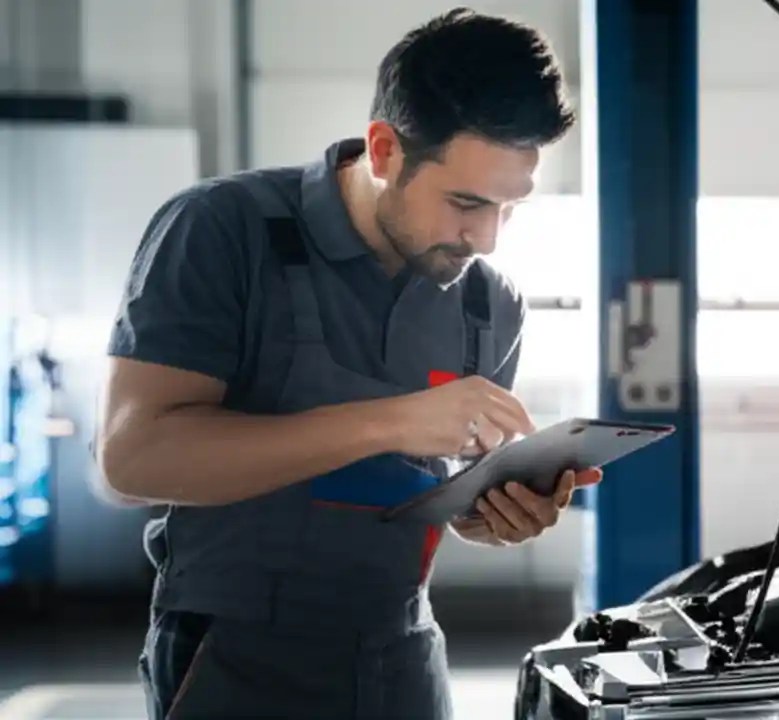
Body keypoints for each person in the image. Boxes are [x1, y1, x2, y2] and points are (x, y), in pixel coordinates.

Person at [93, 8, 598, 718]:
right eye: (465, 202)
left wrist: (492, 513)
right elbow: (131, 460)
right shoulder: (222, 231)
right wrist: (390, 421)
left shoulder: (488, 302)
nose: (486, 237)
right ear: (385, 150)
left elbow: (440, 490)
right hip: (233, 661)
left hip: (404, 660)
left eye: (510, 208)